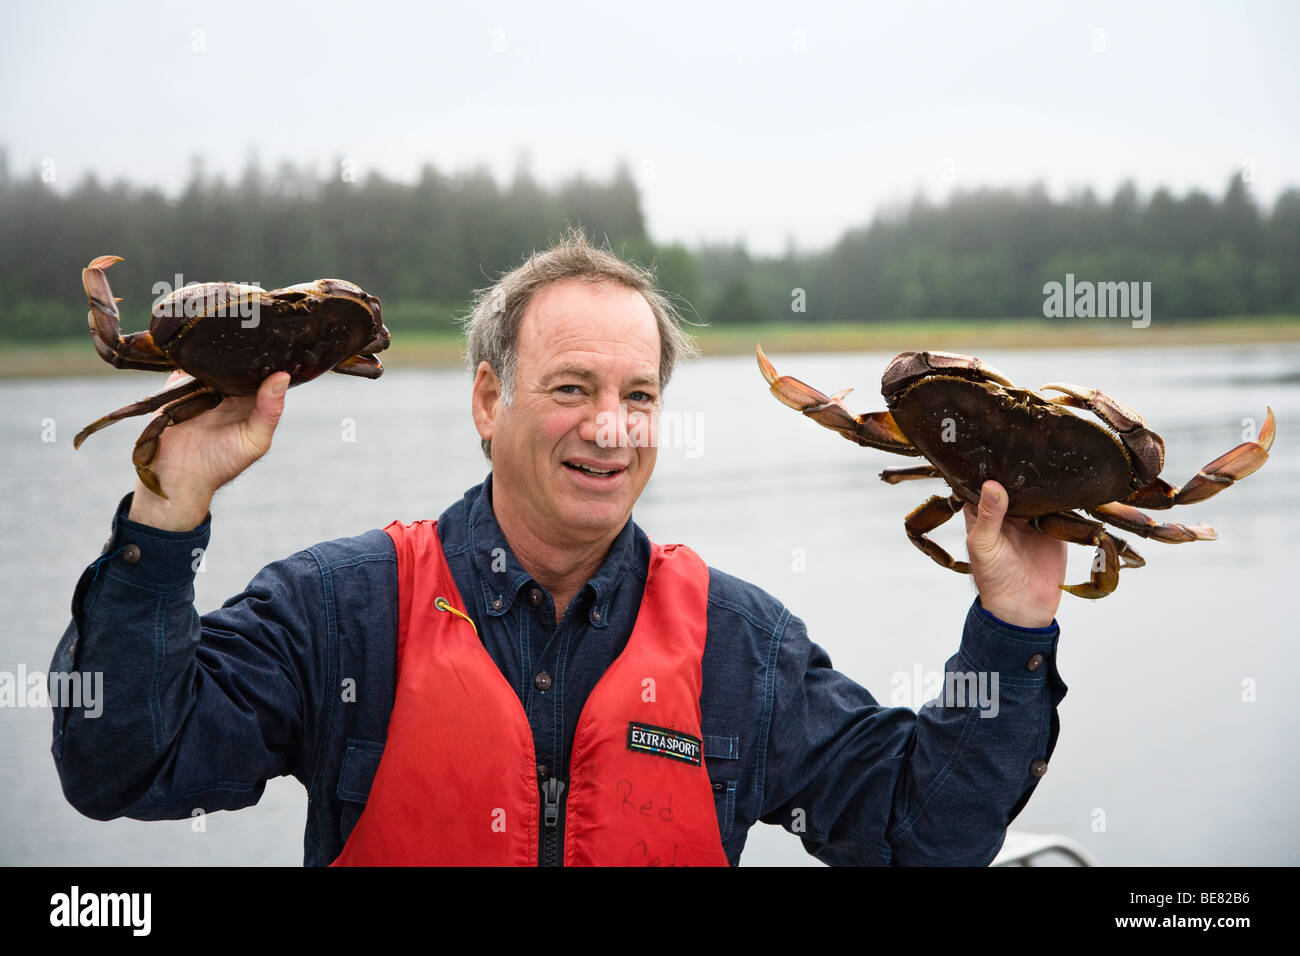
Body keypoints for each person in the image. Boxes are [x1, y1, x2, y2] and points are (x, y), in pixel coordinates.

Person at [50, 230, 1068, 866]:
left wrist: (1012, 623)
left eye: (638, 395)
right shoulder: (341, 610)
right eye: (571, 388)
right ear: (488, 400)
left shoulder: (738, 645)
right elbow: (124, 764)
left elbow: (918, 835)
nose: (610, 428)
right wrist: (166, 505)